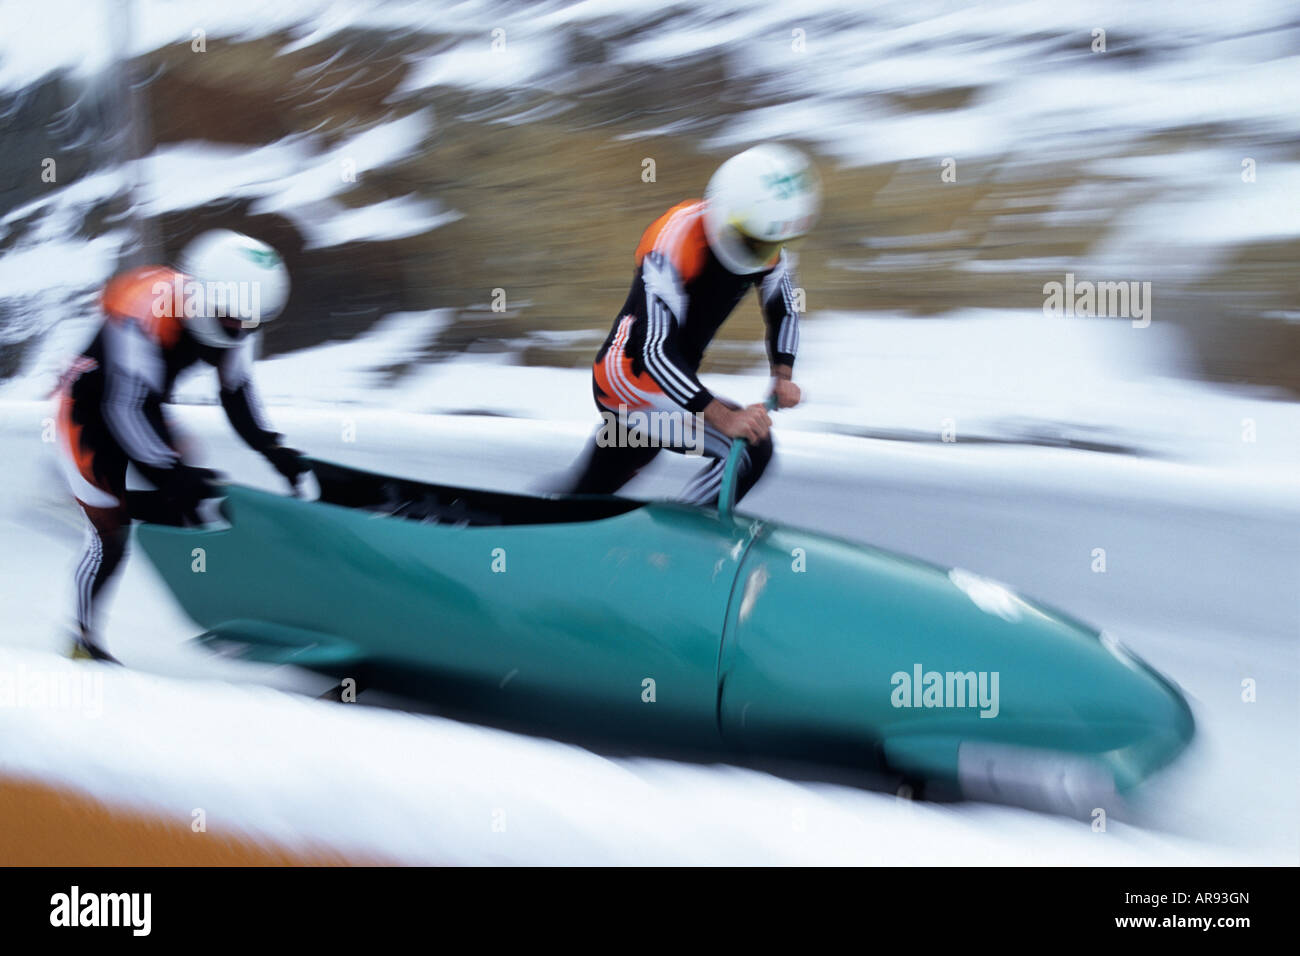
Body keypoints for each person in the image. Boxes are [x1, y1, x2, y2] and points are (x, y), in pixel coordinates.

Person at [55, 229, 308, 661]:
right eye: (231, 319)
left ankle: (228, 614)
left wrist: (273, 448)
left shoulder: (238, 311)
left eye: (251, 322)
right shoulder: (144, 312)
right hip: (88, 413)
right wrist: (173, 475)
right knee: (109, 537)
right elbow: (124, 410)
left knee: (197, 506)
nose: (240, 330)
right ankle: (82, 637)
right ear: (202, 298)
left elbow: (237, 392)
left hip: (144, 405)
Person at [567, 143, 820, 505]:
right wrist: (722, 417)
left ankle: (541, 522)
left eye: (770, 246)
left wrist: (783, 372)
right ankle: (691, 542)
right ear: (725, 217)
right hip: (631, 381)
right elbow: (654, 352)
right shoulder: (671, 242)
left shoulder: (764, 237)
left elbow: (784, 305)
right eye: (752, 243)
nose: (763, 256)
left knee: (600, 482)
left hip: (671, 381)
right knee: (749, 448)